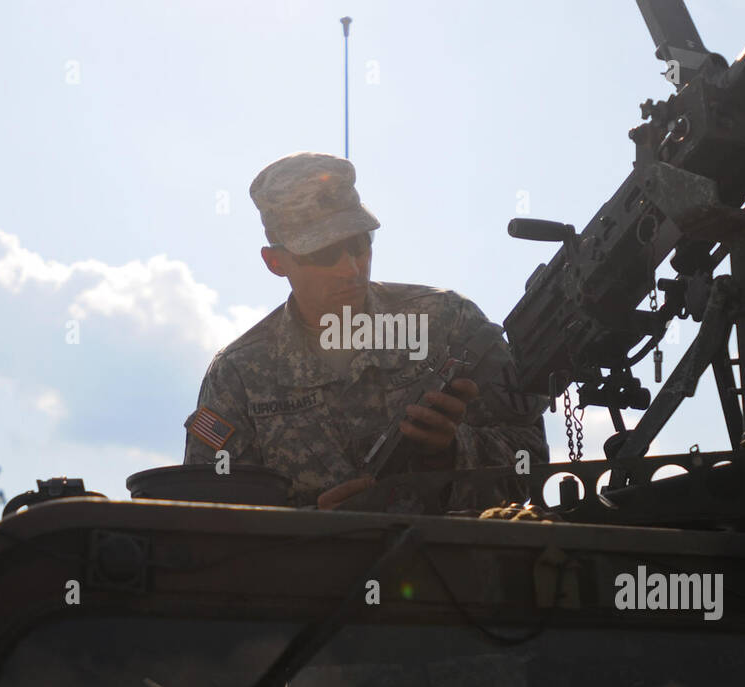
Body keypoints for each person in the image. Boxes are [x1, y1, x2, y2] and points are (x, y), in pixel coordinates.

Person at [183, 151, 547, 510]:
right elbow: (210, 520)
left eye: (358, 244)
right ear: (275, 262)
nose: (350, 268)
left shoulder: (449, 322)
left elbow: (530, 463)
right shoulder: (238, 375)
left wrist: (451, 454)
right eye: (323, 253)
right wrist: (314, 528)